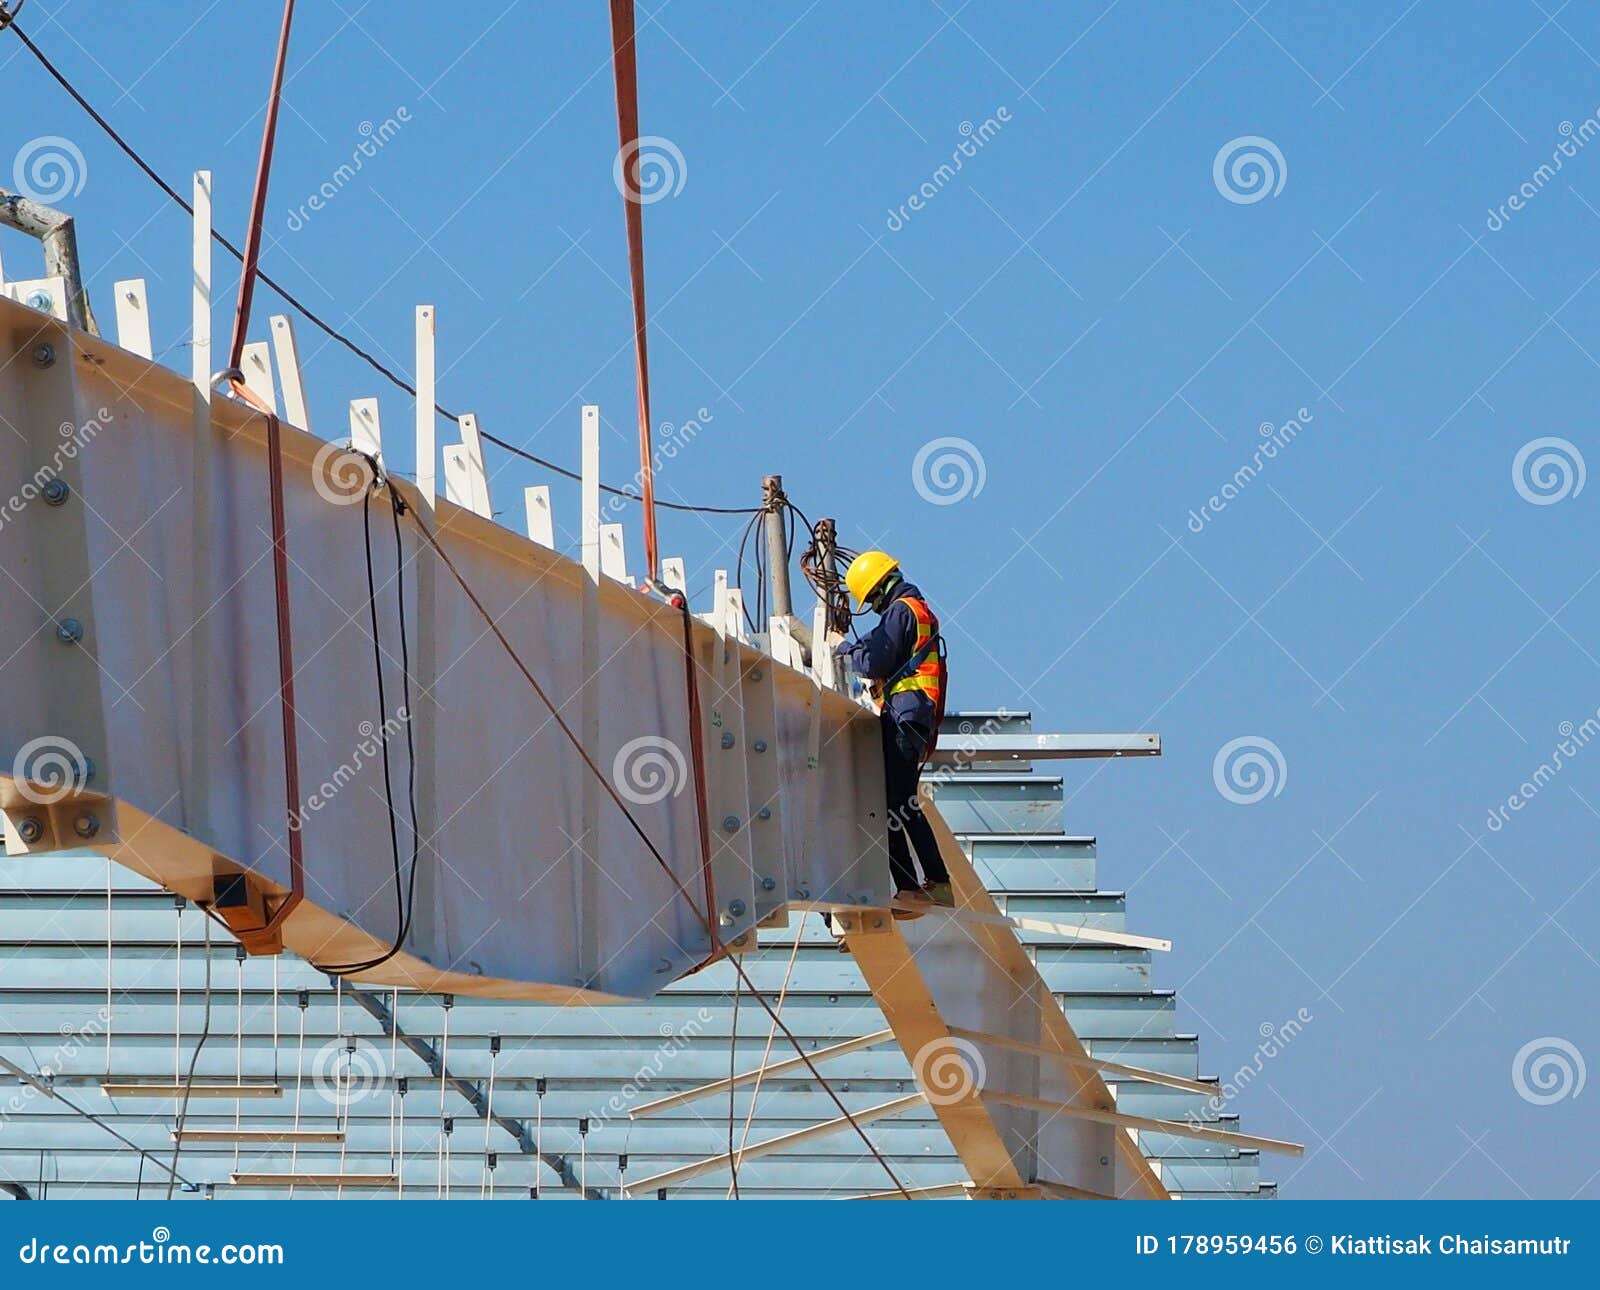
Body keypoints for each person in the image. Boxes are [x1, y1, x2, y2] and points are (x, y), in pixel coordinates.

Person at [834, 550, 954, 912]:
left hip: (906, 715)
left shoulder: (902, 611)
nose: (871, 605)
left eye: (870, 599)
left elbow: (874, 661)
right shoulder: (913, 610)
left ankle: (932, 884)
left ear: (878, 589)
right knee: (894, 802)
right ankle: (913, 885)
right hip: (912, 715)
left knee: (896, 803)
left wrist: (842, 648)